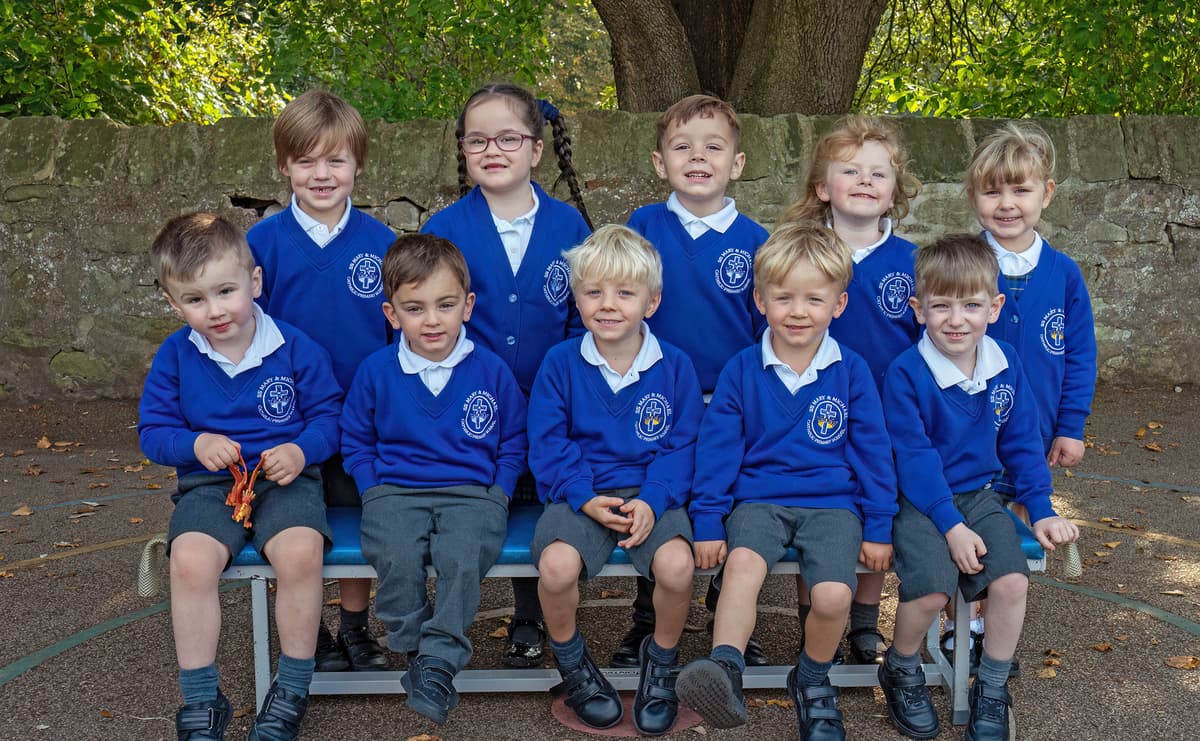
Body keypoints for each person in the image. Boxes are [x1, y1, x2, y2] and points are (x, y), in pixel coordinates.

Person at [676, 222, 898, 740]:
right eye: (783, 298)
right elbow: (717, 453)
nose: (798, 311)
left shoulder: (852, 371)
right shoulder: (741, 370)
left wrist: (879, 524)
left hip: (833, 506)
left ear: (839, 305)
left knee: (833, 598)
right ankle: (725, 670)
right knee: (743, 567)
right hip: (759, 500)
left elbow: (872, 453)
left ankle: (812, 679)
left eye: (814, 299)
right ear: (759, 299)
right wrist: (708, 519)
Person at [138, 213, 341, 741]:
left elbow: (330, 417)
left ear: (254, 283)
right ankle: (204, 702)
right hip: (211, 486)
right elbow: (153, 431)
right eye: (195, 299)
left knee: (300, 552)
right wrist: (193, 444)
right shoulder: (176, 355)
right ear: (173, 303)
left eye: (225, 291)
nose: (215, 310)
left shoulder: (294, 347)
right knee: (188, 562)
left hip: (286, 480)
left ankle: (291, 688)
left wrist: (301, 450)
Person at [878, 234, 1080, 741]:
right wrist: (950, 525)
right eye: (940, 306)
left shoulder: (1005, 362)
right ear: (917, 309)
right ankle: (900, 666)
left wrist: (1041, 507)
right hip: (919, 501)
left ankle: (991, 686)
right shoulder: (905, 373)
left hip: (979, 494)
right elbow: (915, 460)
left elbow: (1021, 444)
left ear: (994, 308)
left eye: (970, 305)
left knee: (1012, 583)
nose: (955, 319)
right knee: (930, 591)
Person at [421, 82, 592, 668]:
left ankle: (541, 611)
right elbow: (428, 319)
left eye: (508, 138)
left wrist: (564, 383)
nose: (493, 150)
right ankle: (492, 616)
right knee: (490, 495)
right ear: (464, 151)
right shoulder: (443, 230)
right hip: (475, 404)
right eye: (477, 140)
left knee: (544, 499)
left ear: (536, 149)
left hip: (552, 404)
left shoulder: (570, 228)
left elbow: (582, 316)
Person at [339, 234, 528, 724]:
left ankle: (439, 660)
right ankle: (416, 650)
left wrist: (500, 491)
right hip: (395, 492)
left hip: (472, 494)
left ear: (467, 306)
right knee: (396, 555)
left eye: (444, 305)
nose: (431, 320)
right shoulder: (377, 370)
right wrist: (372, 490)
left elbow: (514, 439)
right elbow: (356, 439)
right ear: (391, 313)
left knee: (461, 556)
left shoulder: (491, 369)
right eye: (414, 308)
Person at [527, 225, 702, 735]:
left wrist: (653, 499)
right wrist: (583, 498)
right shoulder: (560, 363)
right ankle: (574, 665)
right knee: (556, 568)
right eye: (594, 291)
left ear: (651, 302)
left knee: (676, 567)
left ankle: (662, 666)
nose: (608, 305)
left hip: (653, 492)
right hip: (580, 493)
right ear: (576, 298)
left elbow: (683, 445)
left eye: (625, 293)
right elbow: (549, 443)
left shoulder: (675, 367)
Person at [618, 93, 771, 669]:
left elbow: (765, 329)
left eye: (714, 146)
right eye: (682, 146)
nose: (697, 156)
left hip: (727, 402)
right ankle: (646, 618)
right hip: (652, 394)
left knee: (728, 501)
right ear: (661, 163)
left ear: (737, 162)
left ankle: (730, 614)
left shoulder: (757, 241)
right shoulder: (642, 226)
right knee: (658, 496)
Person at [247, 89, 396, 673]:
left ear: (358, 164)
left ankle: (355, 627)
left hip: (363, 421)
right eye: (306, 160)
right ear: (284, 166)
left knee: (356, 513)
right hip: (290, 424)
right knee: (300, 526)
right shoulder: (259, 246)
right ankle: (315, 637)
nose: (322, 174)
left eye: (336, 160)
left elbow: (397, 339)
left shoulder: (383, 246)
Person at [779, 114, 921, 665]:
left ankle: (864, 622)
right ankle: (813, 622)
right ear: (822, 187)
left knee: (872, 508)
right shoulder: (799, 253)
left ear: (893, 191)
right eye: (850, 170)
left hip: (888, 416)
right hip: (811, 412)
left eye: (878, 173)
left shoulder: (912, 262)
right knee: (818, 513)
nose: (865, 181)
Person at [957, 121, 1097, 667]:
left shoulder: (1063, 273)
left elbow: (1080, 356)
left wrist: (1070, 426)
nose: (1007, 204)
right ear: (974, 197)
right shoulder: (962, 264)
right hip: (965, 429)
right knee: (968, 523)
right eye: (993, 191)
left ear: (1047, 193)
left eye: (1021, 190)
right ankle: (958, 625)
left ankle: (994, 625)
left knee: (1014, 526)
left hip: (1032, 430)